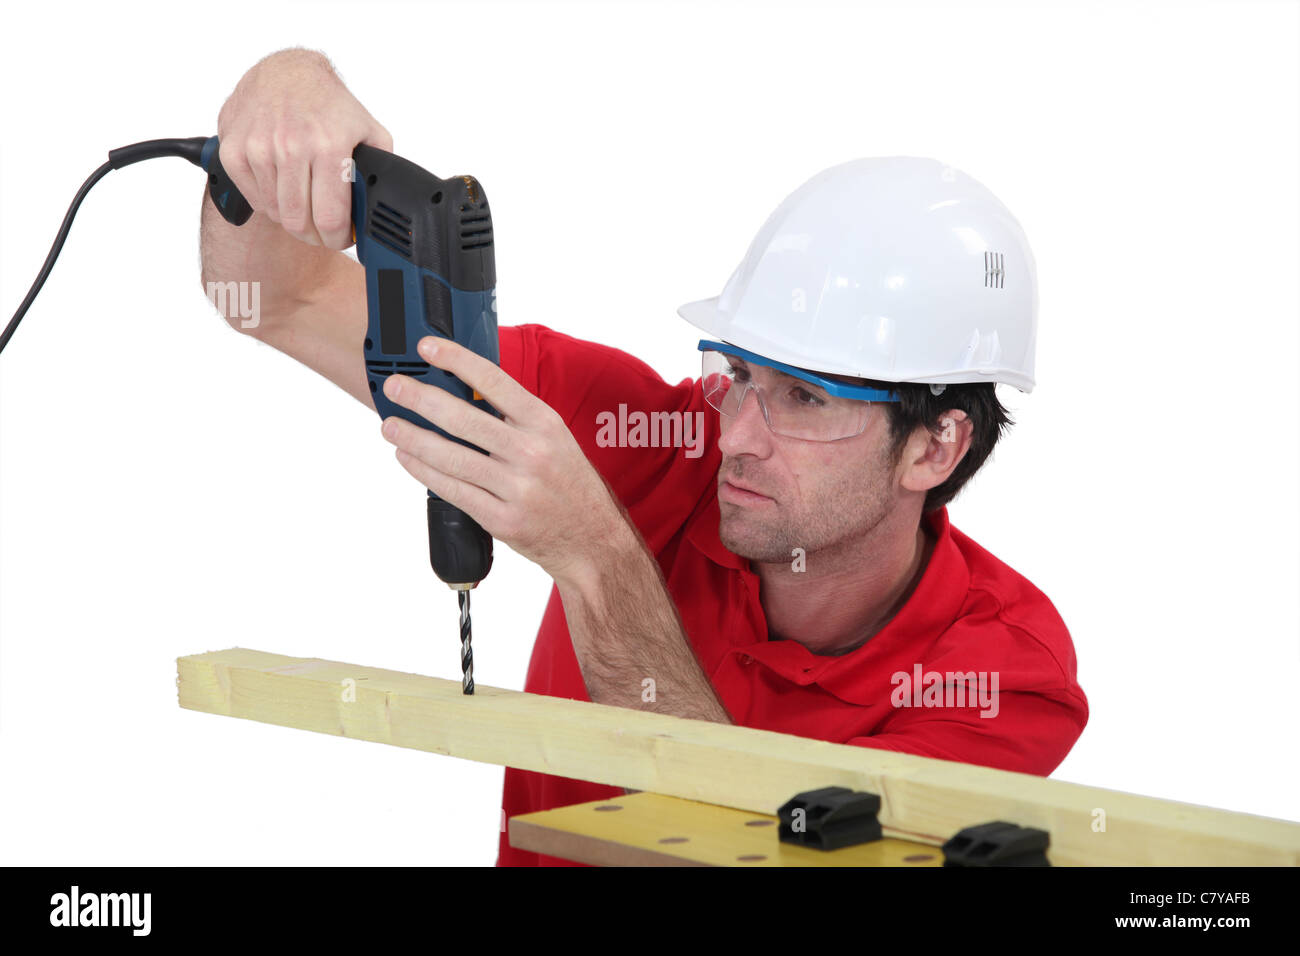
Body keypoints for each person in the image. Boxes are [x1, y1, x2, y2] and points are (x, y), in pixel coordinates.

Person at [201, 48, 1088, 867]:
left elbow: (769, 855)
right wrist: (273, 107)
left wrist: (596, 559)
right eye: (738, 375)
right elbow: (279, 298)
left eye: (805, 399)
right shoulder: (645, 436)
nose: (735, 435)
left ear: (936, 447)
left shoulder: (1003, 678)